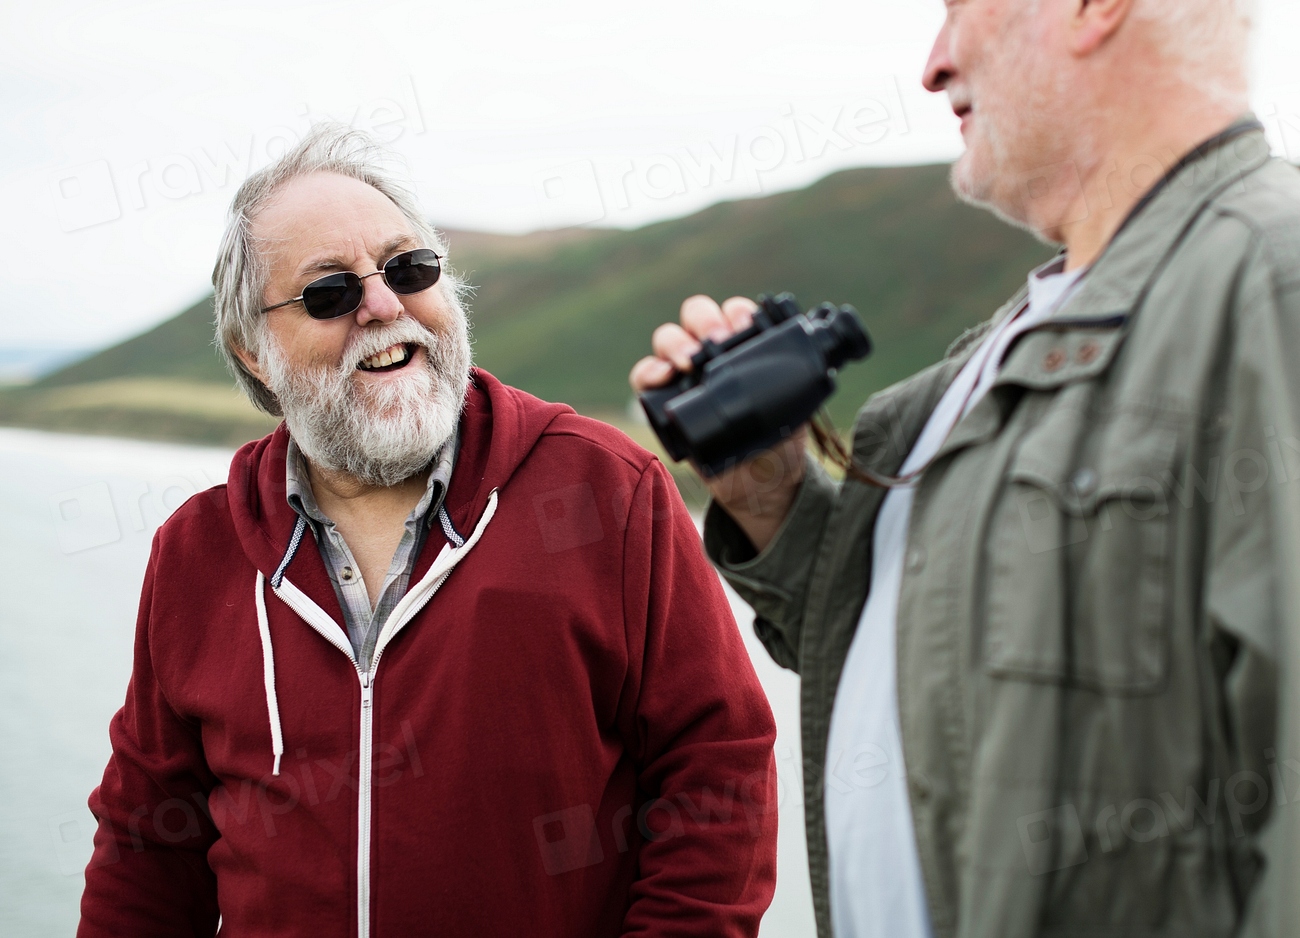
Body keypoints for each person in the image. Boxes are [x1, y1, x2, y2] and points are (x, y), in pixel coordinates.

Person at [632, 0, 1300, 935]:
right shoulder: (1001, 348)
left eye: (955, 12)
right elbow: (901, 646)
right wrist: (769, 490)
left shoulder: (1273, 279)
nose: (933, 65)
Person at [78, 124, 778, 938]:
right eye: (330, 292)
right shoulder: (194, 552)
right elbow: (145, 845)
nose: (384, 306)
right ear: (255, 353)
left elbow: (718, 771)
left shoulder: (607, 493)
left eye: (409, 270)